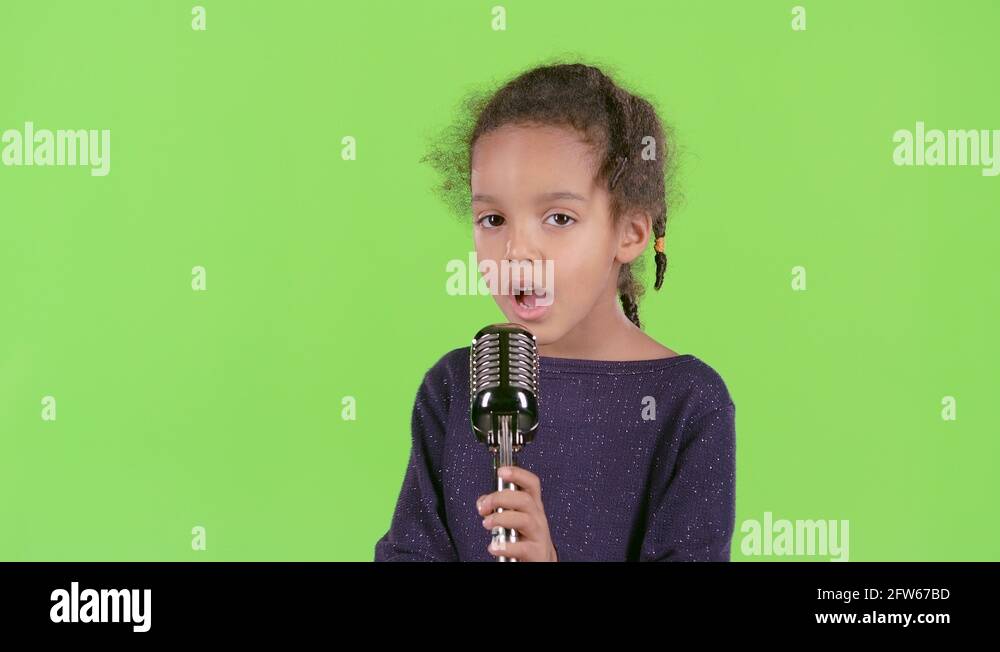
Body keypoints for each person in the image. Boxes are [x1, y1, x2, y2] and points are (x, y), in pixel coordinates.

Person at [374, 61, 736, 561]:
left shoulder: (688, 402)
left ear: (630, 232)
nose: (516, 250)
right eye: (493, 219)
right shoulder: (454, 387)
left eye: (559, 218)